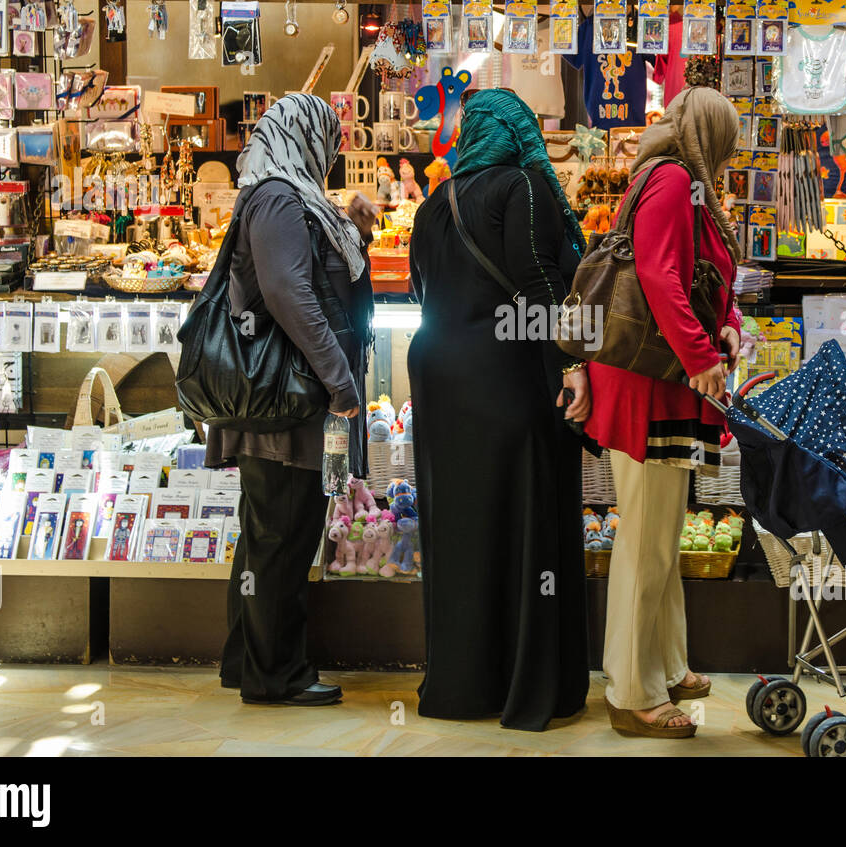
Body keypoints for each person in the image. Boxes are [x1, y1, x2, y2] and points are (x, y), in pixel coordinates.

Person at [408, 89, 590, 732]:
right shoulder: (522, 187)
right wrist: (569, 367)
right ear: (516, 132)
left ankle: (461, 684)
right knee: (525, 520)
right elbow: (540, 286)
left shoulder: (435, 204)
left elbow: (420, 289)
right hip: (506, 378)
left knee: (460, 530)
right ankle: (528, 684)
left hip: (438, 379)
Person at [205, 93, 377, 707]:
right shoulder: (279, 197)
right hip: (287, 400)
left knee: (264, 533)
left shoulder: (286, 193)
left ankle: (244, 659)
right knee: (283, 534)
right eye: (327, 142)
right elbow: (288, 294)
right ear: (304, 138)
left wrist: (351, 227)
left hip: (285, 398)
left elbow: (312, 276)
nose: (330, 156)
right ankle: (277, 674)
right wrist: (340, 378)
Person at [584, 86, 743, 738]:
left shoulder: (673, 178)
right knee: (645, 541)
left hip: (659, 380)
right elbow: (659, 275)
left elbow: (701, 275)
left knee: (661, 534)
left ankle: (667, 660)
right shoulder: (675, 180)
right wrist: (704, 356)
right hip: (651, 383)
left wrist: (726, 325)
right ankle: (631, 689)